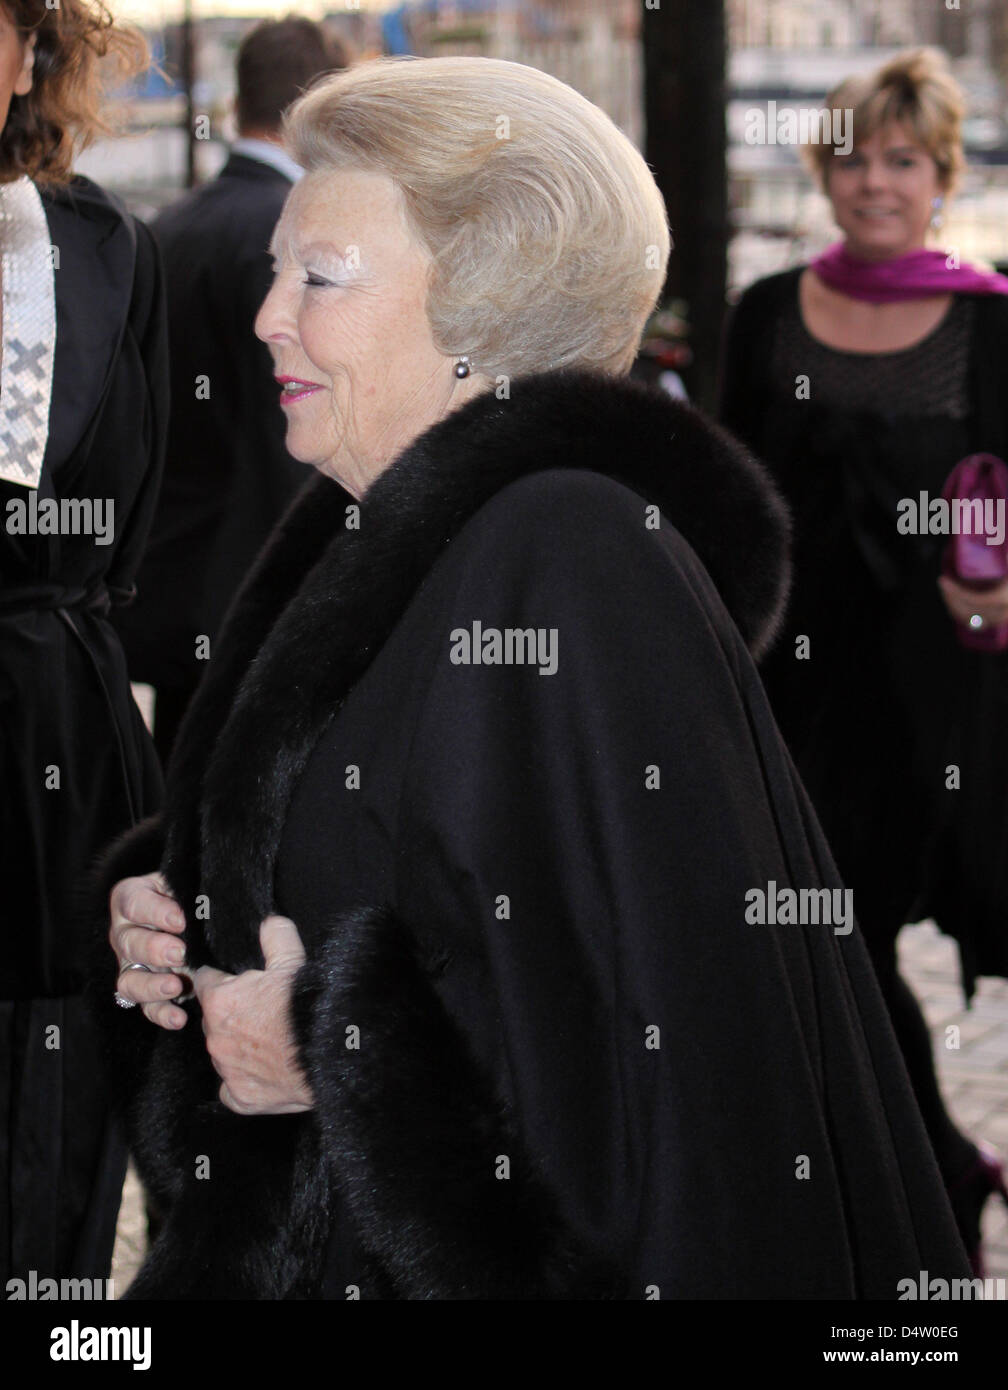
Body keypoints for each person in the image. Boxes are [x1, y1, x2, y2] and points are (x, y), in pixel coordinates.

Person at [87, 56, 969, 1299]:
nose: (266, 314)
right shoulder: (372, 534)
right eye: (282, 269)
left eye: (320, 277)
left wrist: (327, 1047)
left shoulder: (568, 554)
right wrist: (176, 924)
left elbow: (655, 1088)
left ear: (484, 305)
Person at [719, 47, 1008, 1271]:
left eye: (901, 160)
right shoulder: (767, 311)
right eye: (853, 159)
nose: (875, 184)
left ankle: (924, 1171)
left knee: (860, 917)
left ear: (940, 175)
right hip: (791, 686)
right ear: (822, 171)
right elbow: (723, 490)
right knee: (817, 925)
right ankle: (933, 1163)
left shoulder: (993, 322)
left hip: (943, 688)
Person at [0, 0, 167, 1283]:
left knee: (58, 1072)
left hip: (52, 707)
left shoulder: (106, 245)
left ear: (30, 50)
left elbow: (132, 507)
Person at [114, 17, 346, 763]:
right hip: (246, 594)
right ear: (313, 104)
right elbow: (287, 445)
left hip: (171, 582)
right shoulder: (280, 236)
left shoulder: (172, 224)